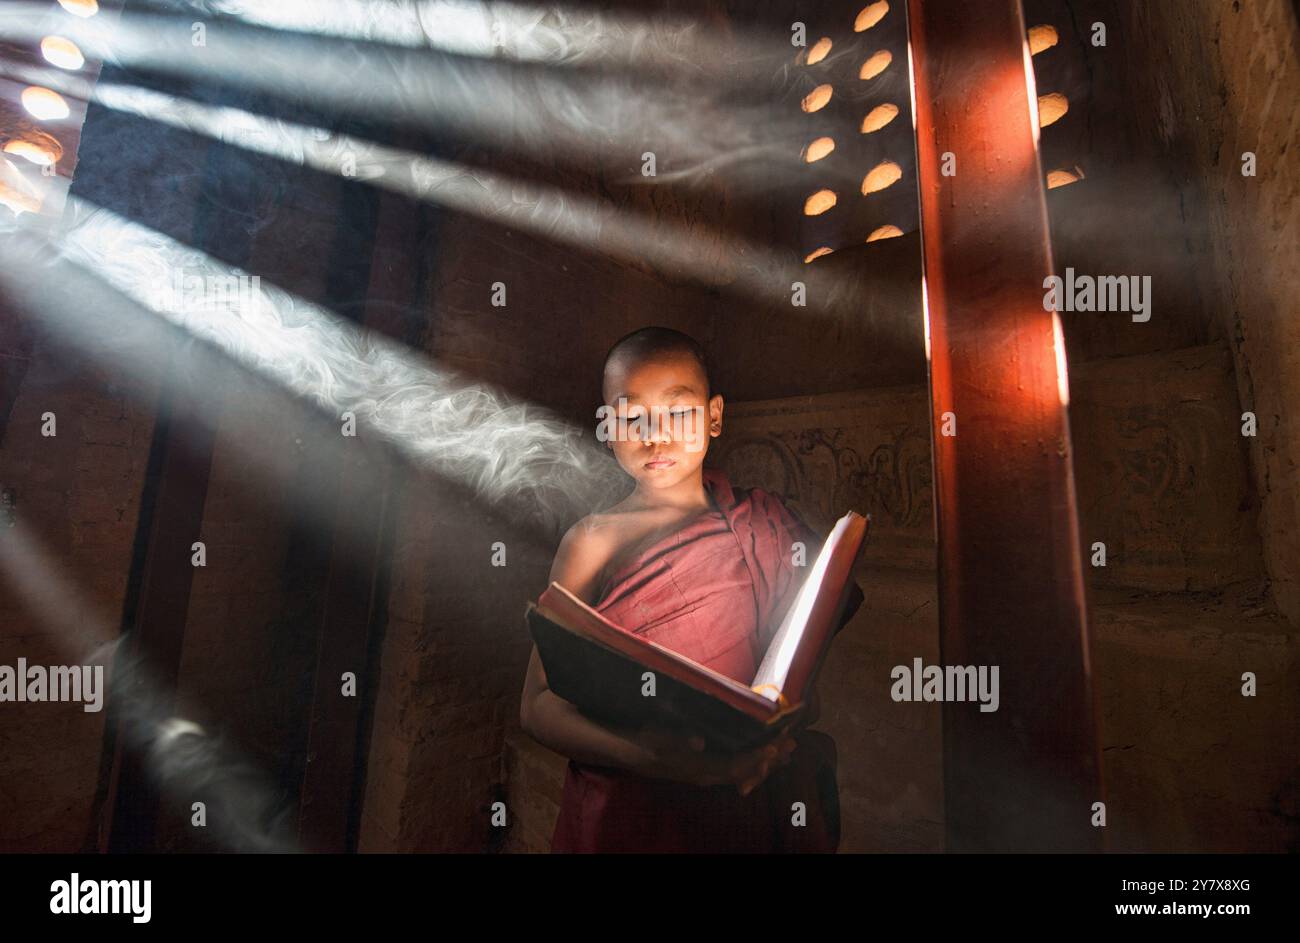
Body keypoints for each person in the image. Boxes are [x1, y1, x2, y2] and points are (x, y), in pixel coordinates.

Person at [519, 326, 862, 852]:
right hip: (629, 807)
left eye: (679, 412)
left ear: (715, 415)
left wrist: (773, 732)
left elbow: (798, 686)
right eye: (631, 416)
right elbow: (537, 704)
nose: (655, 436)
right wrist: (650, 756)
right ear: (608, 426)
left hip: (743, 797)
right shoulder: (593, 541)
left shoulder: (762, 524)